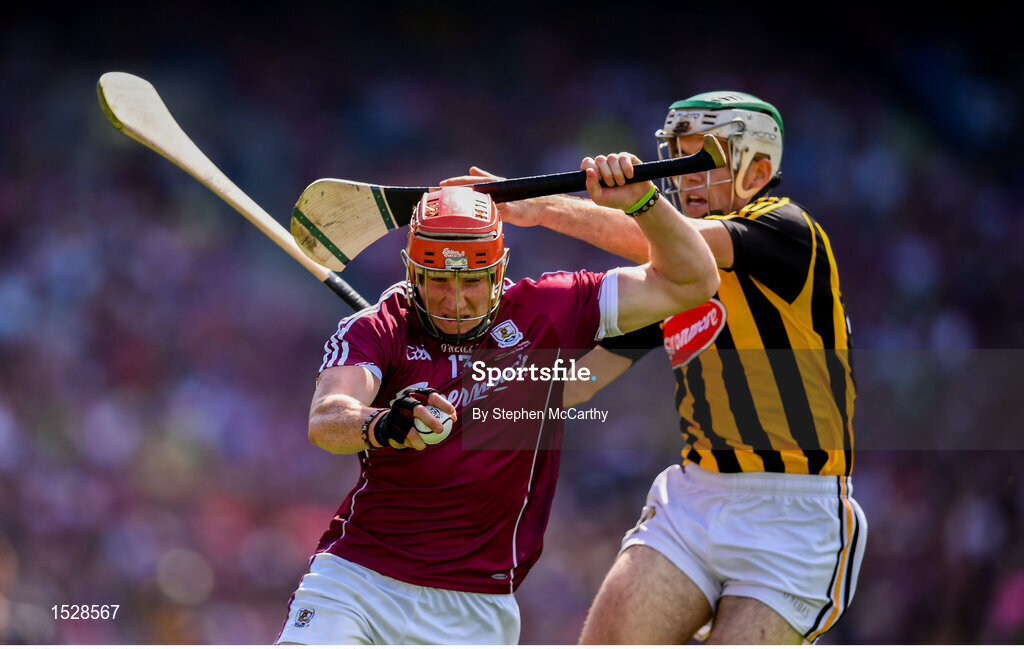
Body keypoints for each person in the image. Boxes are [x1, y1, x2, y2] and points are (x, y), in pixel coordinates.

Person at [444, 91, 867, 644]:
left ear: (758, 170)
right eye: (677, 159)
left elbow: (677, 241)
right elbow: (582, 380)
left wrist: (544, 208)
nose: (686, 179)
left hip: (794, 520)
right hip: (694, 499)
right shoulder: (673, 281)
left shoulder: (789, 232)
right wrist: (474, 395)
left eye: (700, 162)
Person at [275, 153, 720, 644]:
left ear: (499, 271)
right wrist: (382, 424)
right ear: (411, 271)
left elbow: (693, 281)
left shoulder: (550, 309)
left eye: (472, 282)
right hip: (356, 580)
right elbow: (328, 418)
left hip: (476, 609)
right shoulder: (379, 326)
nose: (455, 300)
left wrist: (643, 203)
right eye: (439, 280)